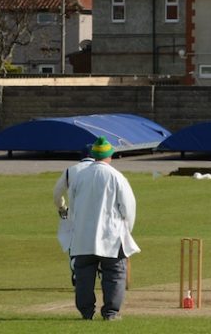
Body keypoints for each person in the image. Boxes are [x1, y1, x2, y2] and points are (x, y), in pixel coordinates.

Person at [68, 136, 140, 321]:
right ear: (110, 156)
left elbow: (73, 206)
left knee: (83, 276)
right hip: (111, 236)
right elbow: (128, 207)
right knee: (115, 275)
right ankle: (110, 312)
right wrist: (127, 231)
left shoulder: (79, 175)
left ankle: (86, 312)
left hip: (83, 237)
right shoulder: (116, 176)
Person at [53, 144, 95, 282]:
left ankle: (77, 272)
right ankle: (103, 271)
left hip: (76, 215)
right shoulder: (105, 170)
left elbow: (57, 194)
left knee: (75, 245)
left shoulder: (70, 170)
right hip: (99, 214)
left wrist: (62, 208)